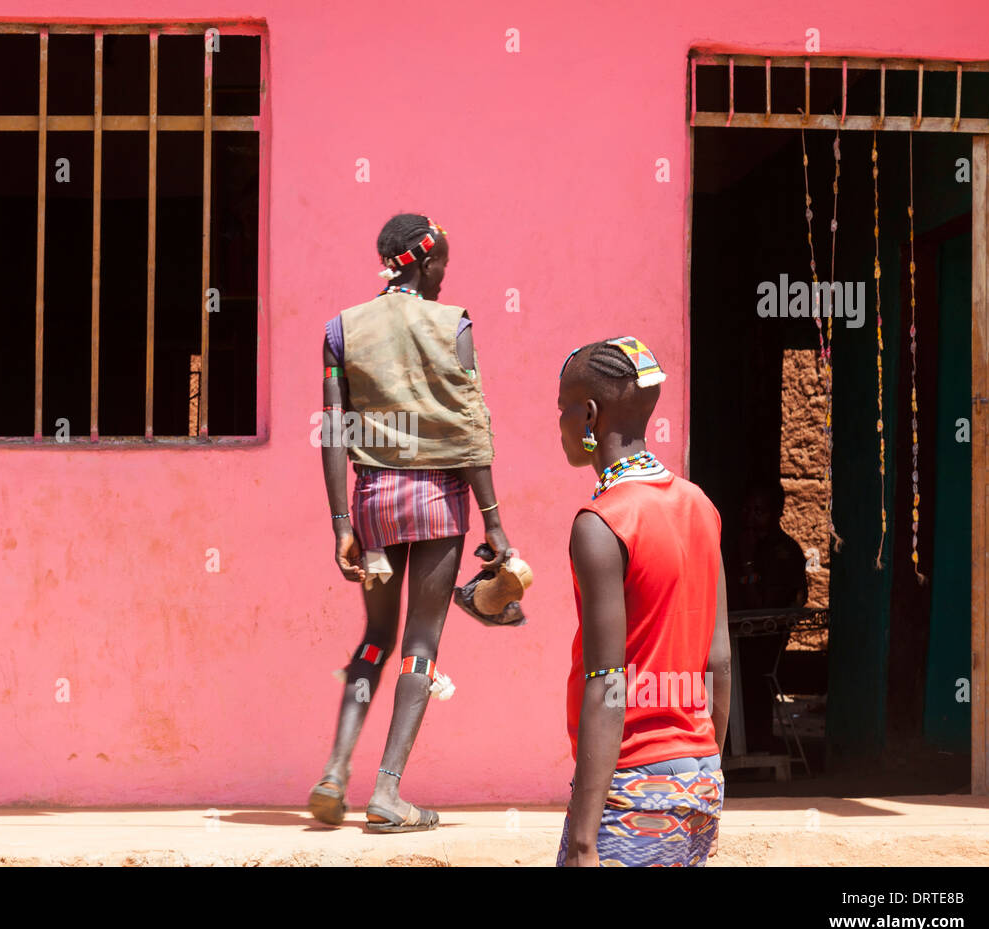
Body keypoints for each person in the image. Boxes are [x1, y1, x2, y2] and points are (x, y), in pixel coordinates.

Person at [308, 214, 511, 832]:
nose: (446, 276)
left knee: (375, 638)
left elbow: (335, 433)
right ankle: (388, 794)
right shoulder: (454, 326)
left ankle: (335, 772)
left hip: (372, 501)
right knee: (421, 647)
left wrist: (342, 522)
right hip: (438, 500)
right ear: (424, 265)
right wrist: (494, 524)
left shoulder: (341, 328)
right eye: (442, 264)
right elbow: (471, 428)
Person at [555, 336, 731, 866]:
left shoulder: (602, 523)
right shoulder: (700, 505)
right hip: (699, 780)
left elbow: (608, 684)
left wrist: (585, 840)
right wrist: (708, 776)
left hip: (632, 791)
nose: (559, 422)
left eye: (562, 409)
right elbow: (718, 662)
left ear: (589, 416)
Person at [726, 481, 808, 754]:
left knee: (751, 677)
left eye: (758, 511)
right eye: (747, 509)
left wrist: (748, 562)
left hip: (765, 643)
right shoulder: (738, 545)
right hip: (734, 637)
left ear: (776, 513)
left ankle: (757, 745)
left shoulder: (784, 552)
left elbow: (760, 607)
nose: (750, 517)